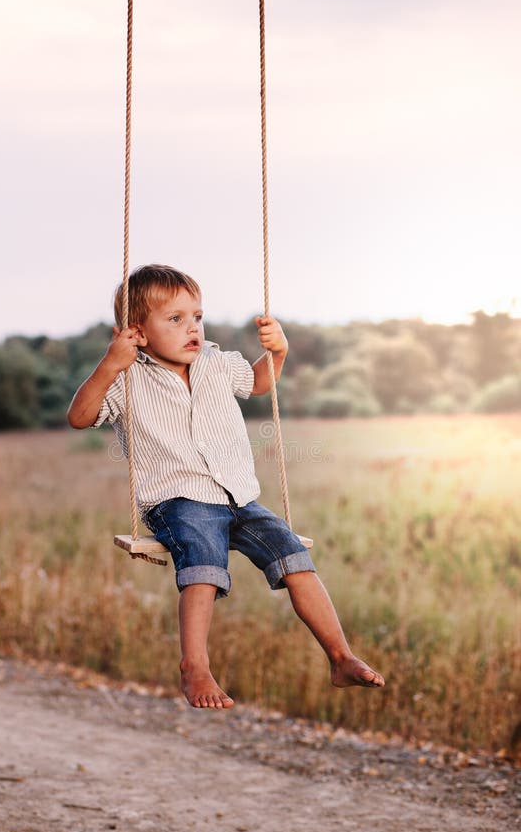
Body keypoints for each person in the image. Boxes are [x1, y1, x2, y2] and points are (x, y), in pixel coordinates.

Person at [68, 264, 385, 710]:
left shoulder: (216, 362)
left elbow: (259, 382)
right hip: (178, 500)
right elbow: (80, 417)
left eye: (196, 316)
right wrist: (109, 364)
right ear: (135, 332)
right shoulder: (126, 377)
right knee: (204, 559)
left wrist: (277, 353)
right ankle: (194, 665)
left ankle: (340, 656)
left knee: (293, 555)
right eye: (174, 319)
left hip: (238, 497)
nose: (192, 327)